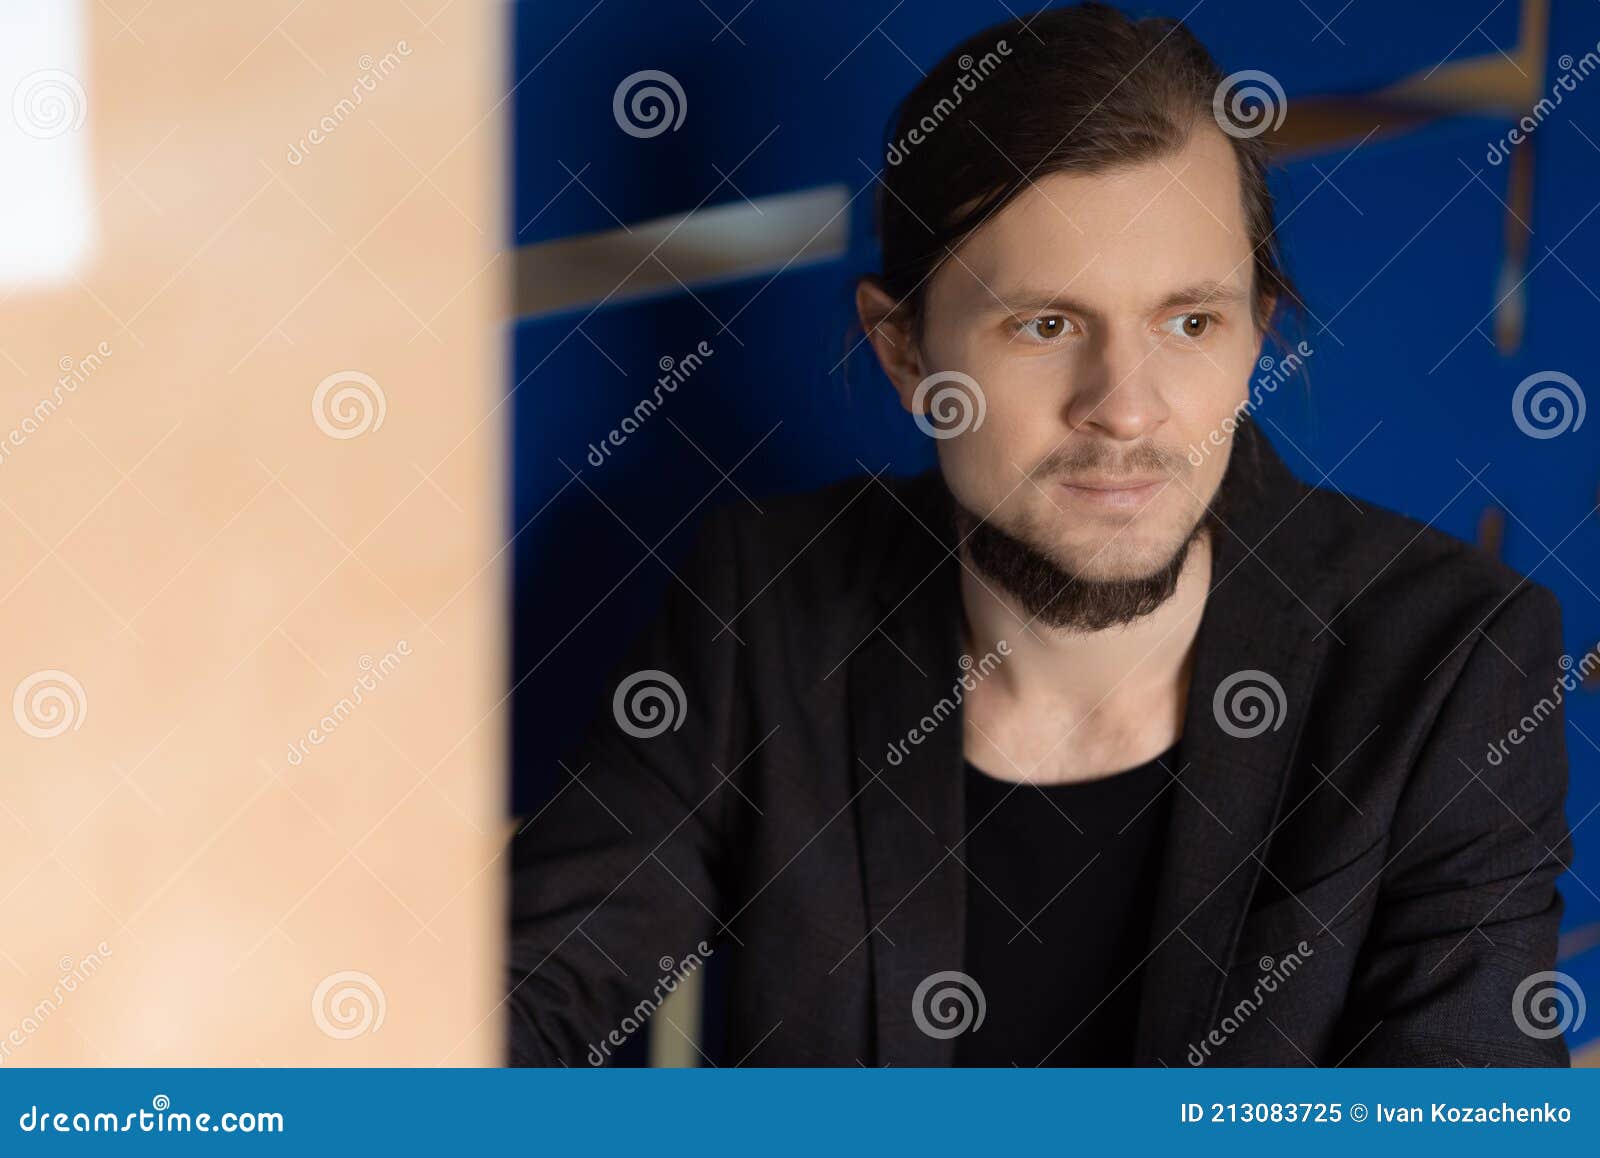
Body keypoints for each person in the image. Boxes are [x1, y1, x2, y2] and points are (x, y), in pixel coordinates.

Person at [508, 2, 1572, 1066]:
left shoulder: (1447, 663)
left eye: (1188, 323)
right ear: (906, 356)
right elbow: (518, 1006)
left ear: (1258, 337)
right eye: (1045, 325)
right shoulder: (764, 604)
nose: (1124, 406)